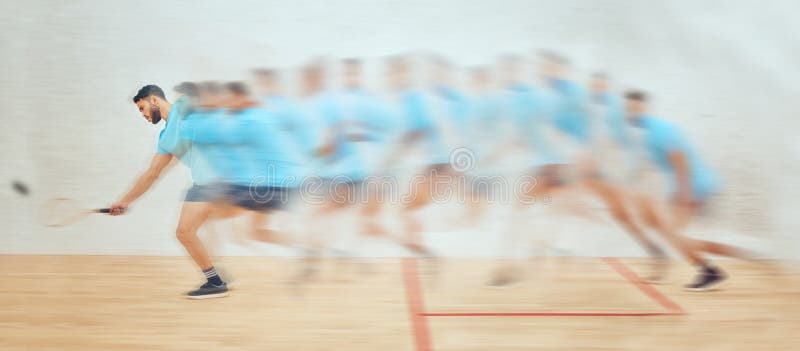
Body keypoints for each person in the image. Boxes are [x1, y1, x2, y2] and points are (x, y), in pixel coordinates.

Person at [108, 84, 229, 299]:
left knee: (187, 231)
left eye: (142, 108)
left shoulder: (184, 106)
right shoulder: (166, 138)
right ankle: (216, 280)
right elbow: (151, 174)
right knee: (185, 232)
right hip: (204, 184)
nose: (143, 115)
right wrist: (124, 201)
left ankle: (216, 282)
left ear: (154, 100)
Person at [624, 90, 749, 291]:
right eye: (627, 109)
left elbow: (681, 163)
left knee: (674, 235)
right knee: (672, 235)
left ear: (644, 107)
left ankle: (732, 258)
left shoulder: (660, 130)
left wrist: (684, 196)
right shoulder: (644, 134)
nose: (630, 112)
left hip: (696, 186)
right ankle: (712, 268)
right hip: (687, 187)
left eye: (634, 108)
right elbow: (643, 163)